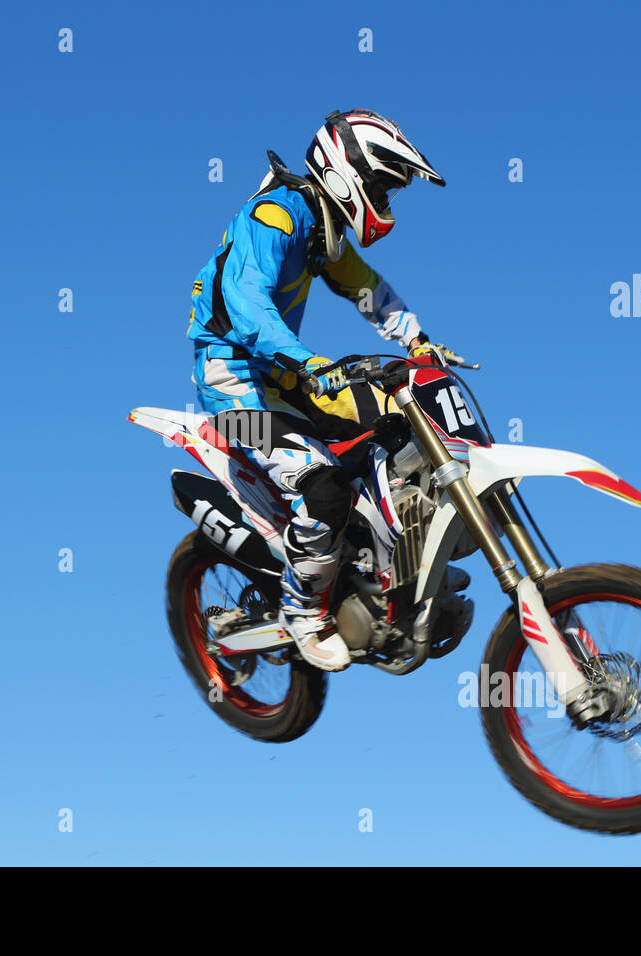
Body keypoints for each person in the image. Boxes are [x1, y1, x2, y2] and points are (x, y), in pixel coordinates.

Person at [186, 109, 445, 671]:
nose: (385, 201)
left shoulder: (322, 229)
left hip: (285, 378)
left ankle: (389, 566)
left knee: (401, 425)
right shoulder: (275, 215)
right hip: (233, 387)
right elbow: (246, 303)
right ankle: (304, 612)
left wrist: (420, 344)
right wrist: (309, 363)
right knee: (323, 487)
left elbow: (369, 288)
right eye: (380, 186)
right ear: (347, 170)